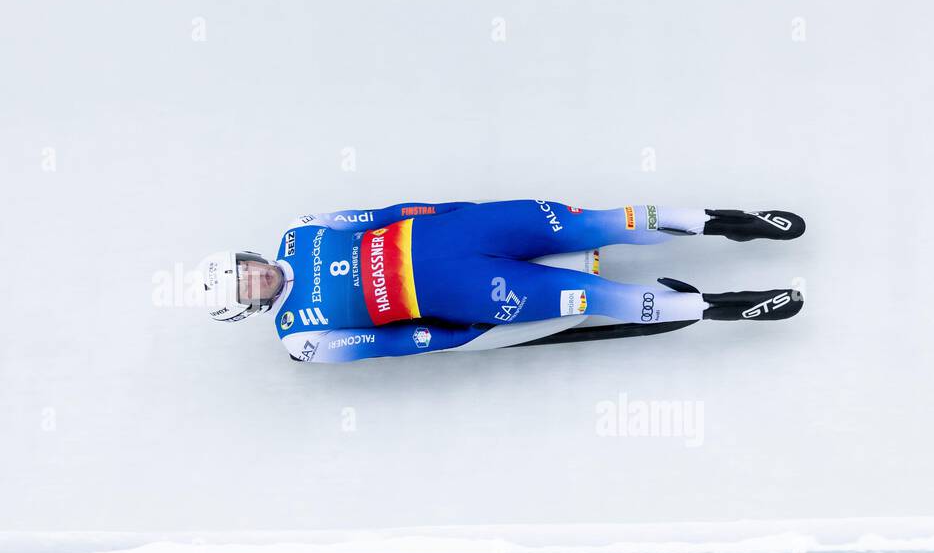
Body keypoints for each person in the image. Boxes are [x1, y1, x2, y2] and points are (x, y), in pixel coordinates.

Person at [196, 201, 806, 363]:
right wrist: (464, 336)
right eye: (245, 288)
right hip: (470, 294)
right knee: (594, 299)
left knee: (592, 222)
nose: (255, 278)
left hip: (471, 232)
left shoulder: (303, 230)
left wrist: (463, 212)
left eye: (245, 268)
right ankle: (716, 308)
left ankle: (722, 221)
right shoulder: (301, 337)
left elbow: (395, 213)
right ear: (248, 307)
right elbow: (393, 344)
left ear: (251, 254)